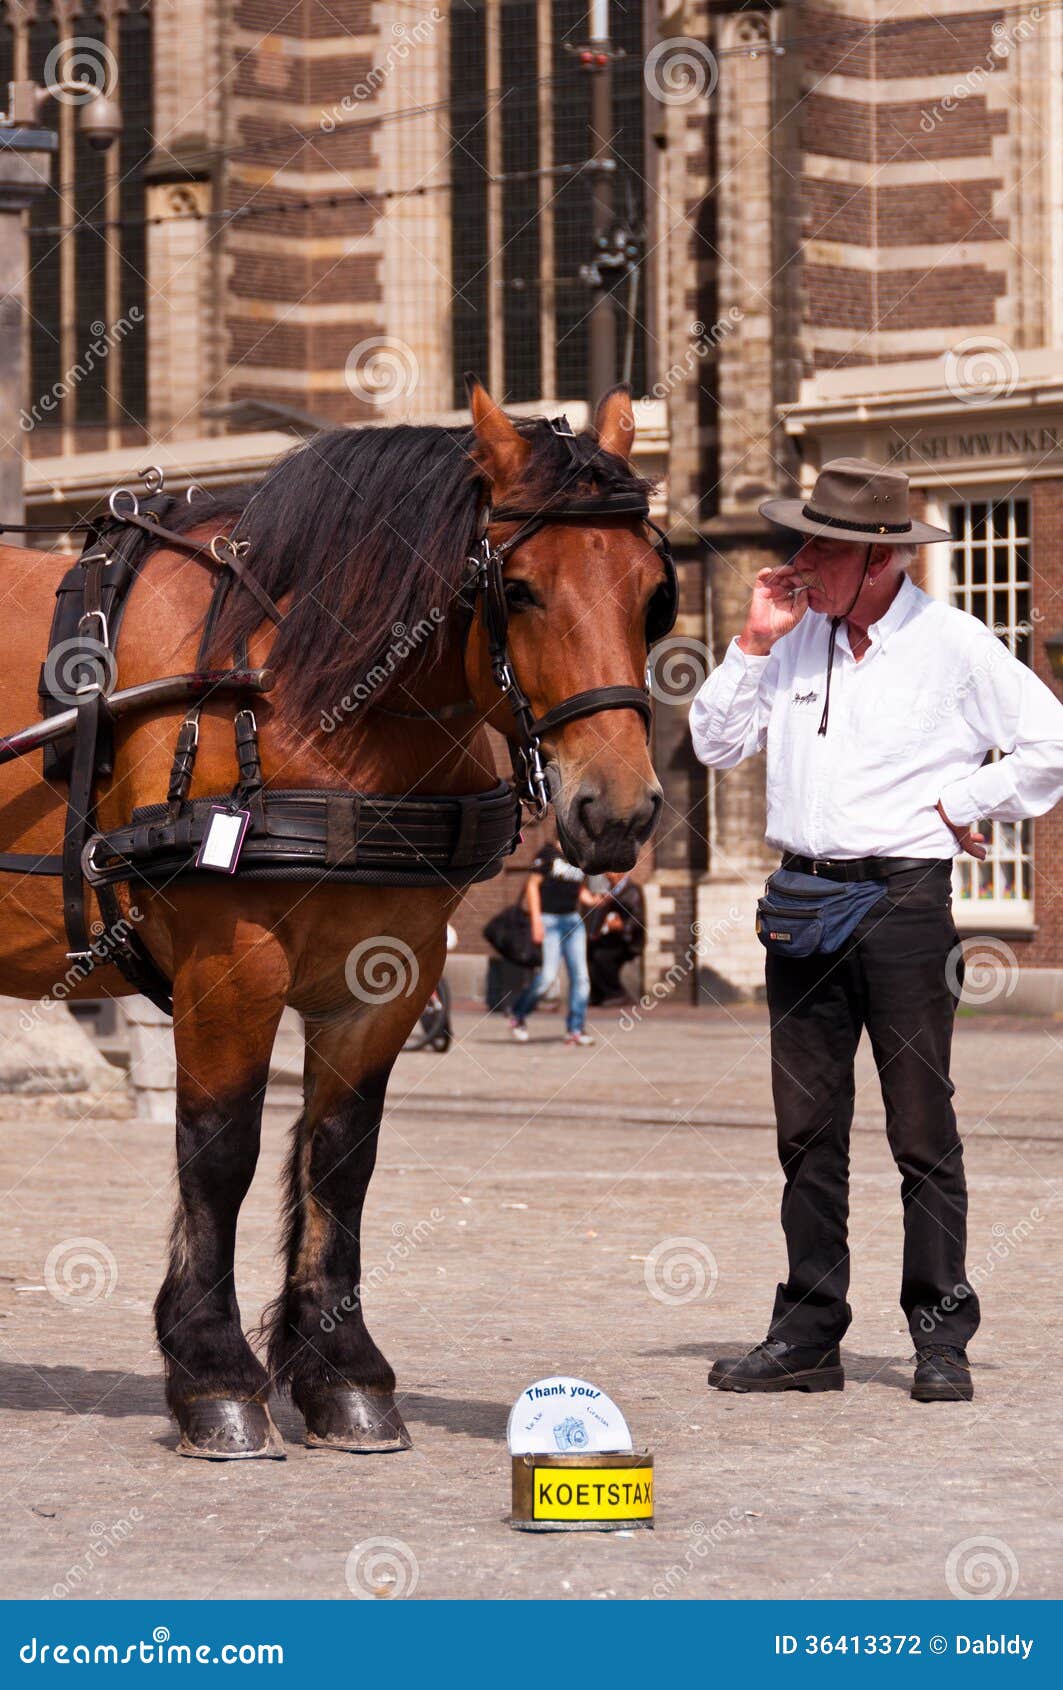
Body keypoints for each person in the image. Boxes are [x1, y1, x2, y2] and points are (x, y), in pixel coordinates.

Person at [689, 457, 1063, 1403]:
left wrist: (959, 798)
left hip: (903, 905)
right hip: (802, 903)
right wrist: (749, 641)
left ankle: (940, 1340)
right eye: (802, 539)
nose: (800, 560)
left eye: (820, 545)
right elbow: (712, 742)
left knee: (920, 1130)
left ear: (878, 560)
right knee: (806, 1133)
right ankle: (808, 1336)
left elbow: (1049, 744)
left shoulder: (954, 644)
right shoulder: (789, 639)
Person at [509, 841, 596, 1046]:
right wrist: (536, 921)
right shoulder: (548, 853)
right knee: (547, 978)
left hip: (573, 921)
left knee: (582, 977)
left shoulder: (580, 857)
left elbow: (579, 888)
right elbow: (532, 886)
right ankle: (519, 1015)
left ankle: (575, 1029)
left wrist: (592, 900)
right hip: (550, 921)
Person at [587, 870, 645, 1005]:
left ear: (621, 873)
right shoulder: (610, 891)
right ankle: (598, 994)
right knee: (591, 949)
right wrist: (595, 933)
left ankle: (617, 993)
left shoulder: (633, 890)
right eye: (606, 872)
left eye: (611, 872)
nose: (608, 875)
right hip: (611, 938)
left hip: (628, 940)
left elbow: (638, 919)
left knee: (603, 957)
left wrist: (622, 926)